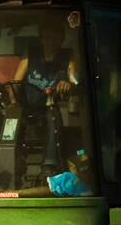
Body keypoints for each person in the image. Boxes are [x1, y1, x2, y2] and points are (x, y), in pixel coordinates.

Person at [13, 23, 80, 173]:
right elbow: (15, 83)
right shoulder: (30, 54)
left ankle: (49, 166)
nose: (51, 41)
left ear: (62, 39)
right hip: (25, 105)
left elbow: (75, 80)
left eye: (55, 37)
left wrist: (69, 84)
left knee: (54, 116)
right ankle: (14, 160)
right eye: (47, 37)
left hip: (48, 107)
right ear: (41, 39)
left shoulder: (67, 57)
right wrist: (12, 104)